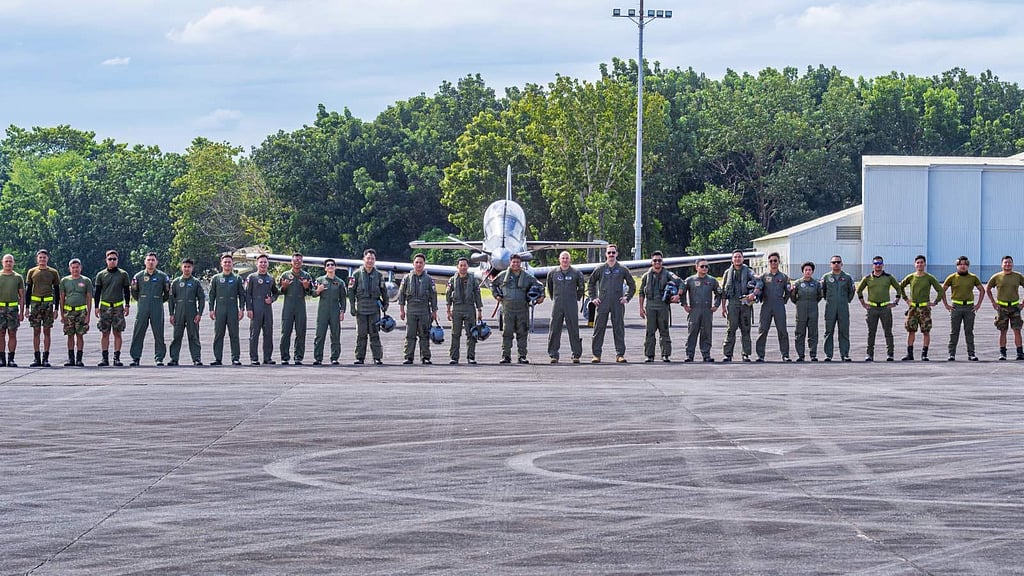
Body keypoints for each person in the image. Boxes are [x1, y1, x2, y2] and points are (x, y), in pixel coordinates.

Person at [588, 244, 636, 363]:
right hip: (602, 302)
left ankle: (620, 354)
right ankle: (596, 354)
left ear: (617, 254)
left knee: (619, 328)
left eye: (613, 253)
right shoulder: (600, 269)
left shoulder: (622, 269)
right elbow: (591, 283)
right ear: (606, 254)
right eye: (609, 253)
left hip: (617, 302)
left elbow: (632, 285)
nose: (611, 255)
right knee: (599, 328)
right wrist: (593, 297)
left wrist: (627, 298)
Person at [494, 253, 543, 364]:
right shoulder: (502, 275)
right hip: (508, 309)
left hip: (522, 309)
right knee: (507, 333)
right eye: (513, 262)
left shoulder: (527, 276)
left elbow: (540, 285)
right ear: (510, 263)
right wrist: (496, 295)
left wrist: (541, 296)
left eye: (517, 262)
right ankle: (506, 356)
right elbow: (493, 284)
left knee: (522, 333)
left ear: (520, 264)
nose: (515, 264)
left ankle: (522, 356)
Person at [856, 256, 902, 362]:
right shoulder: (867, 278)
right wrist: (863, 303)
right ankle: (869, 354)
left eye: (880, 263)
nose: (878, 265)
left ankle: (890, 354)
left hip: (885, 308)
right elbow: (859, 290)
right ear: (873, 265)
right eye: (876, 263)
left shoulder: (889, 277)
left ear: (883, 264)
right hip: (872, 309)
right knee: (871, 332)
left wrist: (895, 302)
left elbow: (898, 288)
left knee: (888, 332)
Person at [129, 252, 171, 366]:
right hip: (142, 307)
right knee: (138, 331)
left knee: (159, 333)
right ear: (145, 262)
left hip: (157, 306)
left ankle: (159, 358)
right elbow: (134, 292)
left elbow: (167, 293)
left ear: (156, 262)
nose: (151, 262)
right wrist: (142, 300)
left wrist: (158, 300)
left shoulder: (162, 276)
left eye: (153, 260)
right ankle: (135, 357)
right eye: (148, 260)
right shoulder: (138, 276)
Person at [898, 255, 944, 361]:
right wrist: (906, 299)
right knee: (911, 330)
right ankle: (910, 354)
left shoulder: (929, 277)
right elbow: (900, 287)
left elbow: (940, 290)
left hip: (924, 309)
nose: (919, 264)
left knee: (926, 331)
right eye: (918, 262)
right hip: (913, 308)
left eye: (921, 262)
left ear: (925, 264)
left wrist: (935, 302)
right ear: (915, 264)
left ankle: (924, 354)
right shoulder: (911, 277)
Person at [638, 251, 680, 362]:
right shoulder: (646, 276)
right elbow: (641, 292)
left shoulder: (668, 274)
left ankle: (665, 354)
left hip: (663, 306)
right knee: (650, 332)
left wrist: (677, 295)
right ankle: (649, 355)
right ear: (651, 262)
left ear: (662, 262)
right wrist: (641, 308)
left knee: (664, 331)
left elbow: (681, 283)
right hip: (650, 306)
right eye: (655, 260)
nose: (657, 262)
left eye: (659, 260)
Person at [349, 248, 388, 365]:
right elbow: (351, 291)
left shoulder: (379, 275)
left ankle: (377, 357)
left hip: (374, 308)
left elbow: (384, 291)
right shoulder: (356, 274)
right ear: (363, 259)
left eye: (372, 259)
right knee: (361, 334)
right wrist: (352, 306)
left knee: (374, 333)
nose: (370, 261)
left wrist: (386, 304)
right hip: (361, 308)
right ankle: (359, 357)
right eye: (368, 258)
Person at [941, 256, 984, 361]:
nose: (963, 266)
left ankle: (971, 354)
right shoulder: (952, 277)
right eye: (960, 264)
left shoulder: (973, 277)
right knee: (954, 331)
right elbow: (942, 290)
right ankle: (951, 354)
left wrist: (978, 304)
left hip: (969, 307)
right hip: (956, 307)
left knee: (969, 331)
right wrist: (946, 304)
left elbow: (982, 290)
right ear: (957, 266)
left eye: (965, 264)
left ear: (968, 265)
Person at [720, 250, 761, 362]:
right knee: (730, 330)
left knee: (746, 330)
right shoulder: (727, 273)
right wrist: (723, 307)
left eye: (739, 257)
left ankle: (746, 354)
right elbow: (723, 291)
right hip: (732, 304)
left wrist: (753, 294)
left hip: (745, 304)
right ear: (732, 259)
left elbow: (759, 281)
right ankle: (728, 354)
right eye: (735, 257)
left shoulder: (749, 272)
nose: (737, 259)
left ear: (743, 259)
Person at [398, 253, 438, 365]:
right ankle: (408, 357)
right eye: (417, 262)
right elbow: (401, 295)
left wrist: (434, 311)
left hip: (424, 310)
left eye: (421, 262)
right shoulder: (406, 278)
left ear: (424, 264)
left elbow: (433, 296)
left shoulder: (429, 280)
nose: (419, 264)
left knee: (424, 335)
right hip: (411, 309)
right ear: (413, 264)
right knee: (410, 335)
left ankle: (425, 357)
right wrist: (402, 310)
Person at [93, 249, 131, 367]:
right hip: (105, 307)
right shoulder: (101, 275)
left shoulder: (123, 274)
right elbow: (97, 292)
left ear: (117, 260)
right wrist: (96, 307)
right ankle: (105, 358)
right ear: (106, 260)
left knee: (118, 333)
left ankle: (116, 358)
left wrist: (127, 305)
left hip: (118, 307)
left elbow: (126, 291)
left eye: (114, 259)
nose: (112, 261)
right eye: (110, 259)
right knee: (105, 333)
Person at [546, 251, 585, 364]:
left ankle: (576, 354)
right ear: (559, 259)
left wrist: (575, 298)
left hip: (571, 304)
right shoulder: (553, 273)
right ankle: (553, 354)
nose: (565, 260)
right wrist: (555, 298)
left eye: (567, 258)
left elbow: (581, 288)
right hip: (557, 303)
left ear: (570, 260)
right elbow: (550, 288)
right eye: (563, 258)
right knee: (554, 328)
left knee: (573, 329)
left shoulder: (576, 273)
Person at [680, 259, 721, 362]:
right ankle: (689, 355)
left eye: (706, 266)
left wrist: (716, 305)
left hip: (707, 310)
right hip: (694, 310)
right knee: (692, 332)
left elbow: (719, 293)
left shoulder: (712, 280)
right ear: (696, 267)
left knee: (706, 333)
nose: (704, 268)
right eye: (702, 266)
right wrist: (684, 304)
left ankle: (706, 354)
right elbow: (682, 292)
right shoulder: (690, 280)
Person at [209, 253, 246, 366]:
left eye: (229, 262)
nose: (227, 264)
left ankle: (235, 358)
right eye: (225, 262)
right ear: (221, 264)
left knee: (234, 334)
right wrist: (211, 309)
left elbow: (242, 295)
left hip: (232, 308)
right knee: (218, 334)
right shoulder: (216, 278)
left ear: (232, 264)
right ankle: (218, 358)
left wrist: (241, 309)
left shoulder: (237, 278)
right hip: (220, 308)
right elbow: (212, 295)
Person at [25, 249, 60, 367]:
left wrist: (56, 308)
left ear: (47, 259)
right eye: (40, 257)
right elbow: (28, 290)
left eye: (44, 257)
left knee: (47, 331)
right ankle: (36, 357)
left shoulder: (53, 272)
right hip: (35, 304)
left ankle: (46, 358)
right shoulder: (32, 272)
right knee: (36, 331)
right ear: (37, 259)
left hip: (48, 304)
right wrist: (27, 307)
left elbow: (57, 291)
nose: (42, 260)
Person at [985, 255, 1024, 361]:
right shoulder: (997, 277)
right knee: (1003, 330)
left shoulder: (1018, 276)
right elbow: (987, 288)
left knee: (1017, 330)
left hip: (1015, 307)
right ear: (1002, 264)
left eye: (1009, 262)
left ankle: (1020, 352)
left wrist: (1023, 303)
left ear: (1013, 264)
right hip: (1002, 308)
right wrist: (993, 302)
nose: (1007, 264)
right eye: (1005, 262)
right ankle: (1002, 353)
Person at [755, 252, 792, 362]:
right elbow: (758, 289)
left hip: (779, 306)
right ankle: (760, 355)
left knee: (782, 330)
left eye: (775, 260)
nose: (773, 263)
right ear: (768, 262)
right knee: (763, 330)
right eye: (771, 261)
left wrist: (783, 301)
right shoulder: (763, 276)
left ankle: (785, 355)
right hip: (766, 305)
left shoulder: (784, 277)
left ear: (779, 262)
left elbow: (788, 292)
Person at [168, 258, 205, 366]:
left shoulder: (196, 282)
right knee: (176, 336)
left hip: (192, 311)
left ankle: (196, 358)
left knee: (194, 336)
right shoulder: (176, 282)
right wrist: (171, 313)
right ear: (181, 267)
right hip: (179, 311)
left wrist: (199, 313)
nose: (187, 269)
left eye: (189, 267)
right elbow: (171, 299)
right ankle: (174, 359)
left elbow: (201, 299)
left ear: (192, 268)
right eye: (185, 266)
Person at [446, 257, 483, 365]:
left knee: (471, 334)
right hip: (457, 309)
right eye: (461, 265)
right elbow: (448, 295)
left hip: (469, 308)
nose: (463, 267)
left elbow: (477, 295)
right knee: (455, 334)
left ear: (468, 266)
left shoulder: (473, 280)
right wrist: (448, 310)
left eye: (465, 265)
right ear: (457, 267)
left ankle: (471, 357)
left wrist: (479, 310)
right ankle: (454, 357)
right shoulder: (452, 280)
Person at [245, 254, 279, 365]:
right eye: (261, 262)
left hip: (267, 309)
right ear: (257, 264)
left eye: (265, 262)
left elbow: (276, 292)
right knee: (254, 334)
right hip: (256, 308)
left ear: (268, 264)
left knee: (268, 333)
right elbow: (247, 294)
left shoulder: (270, 278)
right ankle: (254, 358)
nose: (263, 264)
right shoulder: (252, 278)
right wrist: (249, 308)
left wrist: (272, 299)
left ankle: (267, 357)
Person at [278, 252, 312, 364]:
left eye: (299, 260)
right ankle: (284, 357)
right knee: (286, 332)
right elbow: (278, 291)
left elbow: (311, 292)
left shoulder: (306, 276)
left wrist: (306, 287)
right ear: (291, 262)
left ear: (302, 262)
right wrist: (284, 286)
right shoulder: (285, 275)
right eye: (295, 260)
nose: (297, 262)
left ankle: (298, 357)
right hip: (288, 305)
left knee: (301, 332)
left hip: (300, 305)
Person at [58, 259, 93, 367]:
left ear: (80, 268)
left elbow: (89, 298)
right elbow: (62, 298)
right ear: (69, 268)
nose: (75, 270)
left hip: (81, 311)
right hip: (68, 312)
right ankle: (71, 358)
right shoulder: (64, 281)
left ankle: (79, 359)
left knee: (80, 335)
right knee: (69, 335)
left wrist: (88, 315)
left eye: (77, 267)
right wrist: (62, 314)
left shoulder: (86, 281)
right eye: (73, 268)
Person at [312, 258, 347, 365]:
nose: (330, 266)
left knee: (335, 334)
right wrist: (319, 290)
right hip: (323, 310)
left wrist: (342, 312)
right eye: (328, 265)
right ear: (325, 268)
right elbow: (313, 294)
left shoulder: (340, 282)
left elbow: (343, 299)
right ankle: (318, 358)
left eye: (332, 265)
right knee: (320, 334)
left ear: (335, 267)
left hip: (335, 310)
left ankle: (334, 357)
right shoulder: (320, 280)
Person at [821, 255, 855, 362]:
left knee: (844, 331)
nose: (836, 264)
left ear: (842, 264)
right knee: (828, 331)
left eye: (838, 262)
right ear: (830, 264)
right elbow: (823, 292)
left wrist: (846, 301)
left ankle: (844, 354)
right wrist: (829, 300)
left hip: (843, 307)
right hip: (830, 307)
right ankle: (828, 354)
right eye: (834, 262)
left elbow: (851, 291)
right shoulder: (826, 277)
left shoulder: (847, 277)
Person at [790, 262, 823, 362]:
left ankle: (813, 354)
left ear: (812, 271)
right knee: (800, 333)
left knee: (813, 333)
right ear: (803, 271)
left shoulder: (816, 284)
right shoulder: (797, 283)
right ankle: (801, 355)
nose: (808, 272)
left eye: (809, 270)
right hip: (801, 310)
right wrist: (799, 303)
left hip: (813, 309)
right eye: (806, 270)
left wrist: (812, 303)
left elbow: (819, 296)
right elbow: (793, 297)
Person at [0, 254, 25, 367]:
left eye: (10, 261)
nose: (8, 263)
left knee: (12, 333)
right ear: (2, 262)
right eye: (6, 261)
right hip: (0, 308)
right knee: (1, 334)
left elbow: (22, 296)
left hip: (13, 309)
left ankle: (11, 358)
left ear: (14, 263)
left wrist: (22, 311)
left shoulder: (18, 277)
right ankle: (1, 358)